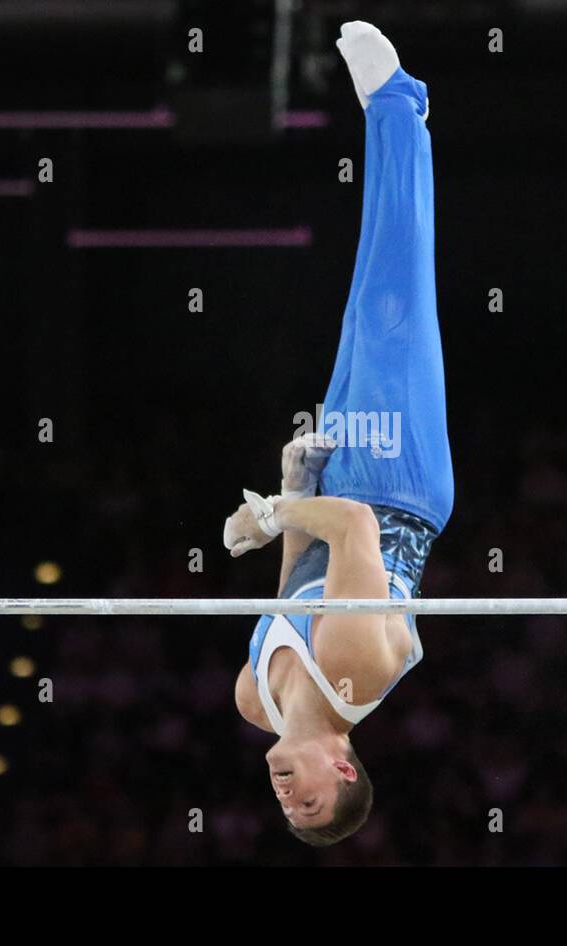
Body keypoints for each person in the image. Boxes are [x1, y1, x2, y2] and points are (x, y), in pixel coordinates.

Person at [225, 21, 453, 846]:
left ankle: (397, 119)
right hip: (396, 490)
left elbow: (298, 583)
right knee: (397, 294)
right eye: (311, 801)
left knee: (362, 301)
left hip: (337, 479)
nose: (290, 797)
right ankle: (398, 106)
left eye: (288, 812)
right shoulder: (359, 667)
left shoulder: (255, 700)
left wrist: (291, 488)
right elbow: (354, 530)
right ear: (345, 767)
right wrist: (277, 515)